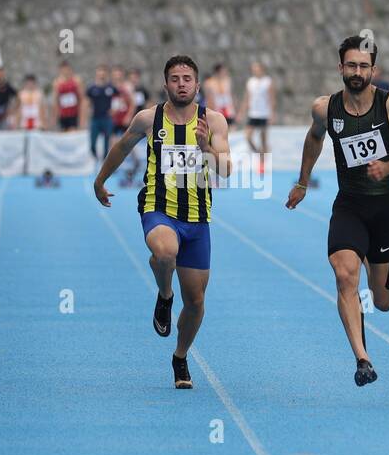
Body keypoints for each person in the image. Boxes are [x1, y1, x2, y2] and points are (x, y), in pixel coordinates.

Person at [285, 35, 389, 388]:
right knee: (344, 274)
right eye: (351, 65)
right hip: (349, 206)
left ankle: (370, 258)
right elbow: (314, 138)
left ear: (373, 70)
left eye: (364, 66)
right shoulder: (325, 108)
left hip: (386, 210)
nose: (357, 72)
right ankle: (362, 359)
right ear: (340, 68)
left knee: (383, 303)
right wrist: (302, 182)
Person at [93, 56, 232, 390]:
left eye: (187, 78)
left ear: (197, 85)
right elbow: (122, 147)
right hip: (158, 207)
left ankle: (180, 357)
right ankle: (165, 294)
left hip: (198, 218)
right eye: (174, 78)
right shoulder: (148, 119)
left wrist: (206, 146)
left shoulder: (214, 121)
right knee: (165, 252)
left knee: (197, 302)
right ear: (165, 83)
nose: (181, 83)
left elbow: (226, 170)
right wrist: (100, 181)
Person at [238, 61, 275, 165]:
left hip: (264, 113)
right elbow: (247, 98)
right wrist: (241, 112)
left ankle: (262, 162)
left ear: (261, 69)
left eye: (257, 68)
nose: (255, 70)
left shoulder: (268, 81)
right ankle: (259, 153)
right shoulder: (251, 82)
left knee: (263, 138)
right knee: (248, 136)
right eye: (253, 68)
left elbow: (272, 98)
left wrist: (272, 113)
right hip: (253, 113)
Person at [86, 65, 118, 161]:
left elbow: (117, 98)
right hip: (95, 118)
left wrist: (114, 109)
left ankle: (104, 161)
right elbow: (87, 102)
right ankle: (95, 156)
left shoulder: (111, 88)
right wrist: (87, 112)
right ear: (97, 74)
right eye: (100, 72)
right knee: (92, 143)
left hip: (107, 118)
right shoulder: (92, 88)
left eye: (103, 72)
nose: (101, 74)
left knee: (106, 142)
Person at [53, 62, 83, 131]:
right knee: (64, 133)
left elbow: (81, 98)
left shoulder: (76, 80)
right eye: (63, 70)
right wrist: (55, 115)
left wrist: (81, 116)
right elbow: (56, 100)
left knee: (72, 132)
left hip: (74, 113)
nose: (65, 72)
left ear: (70, 70)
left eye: (67, 70)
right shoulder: (57, 82)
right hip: (63, 113)